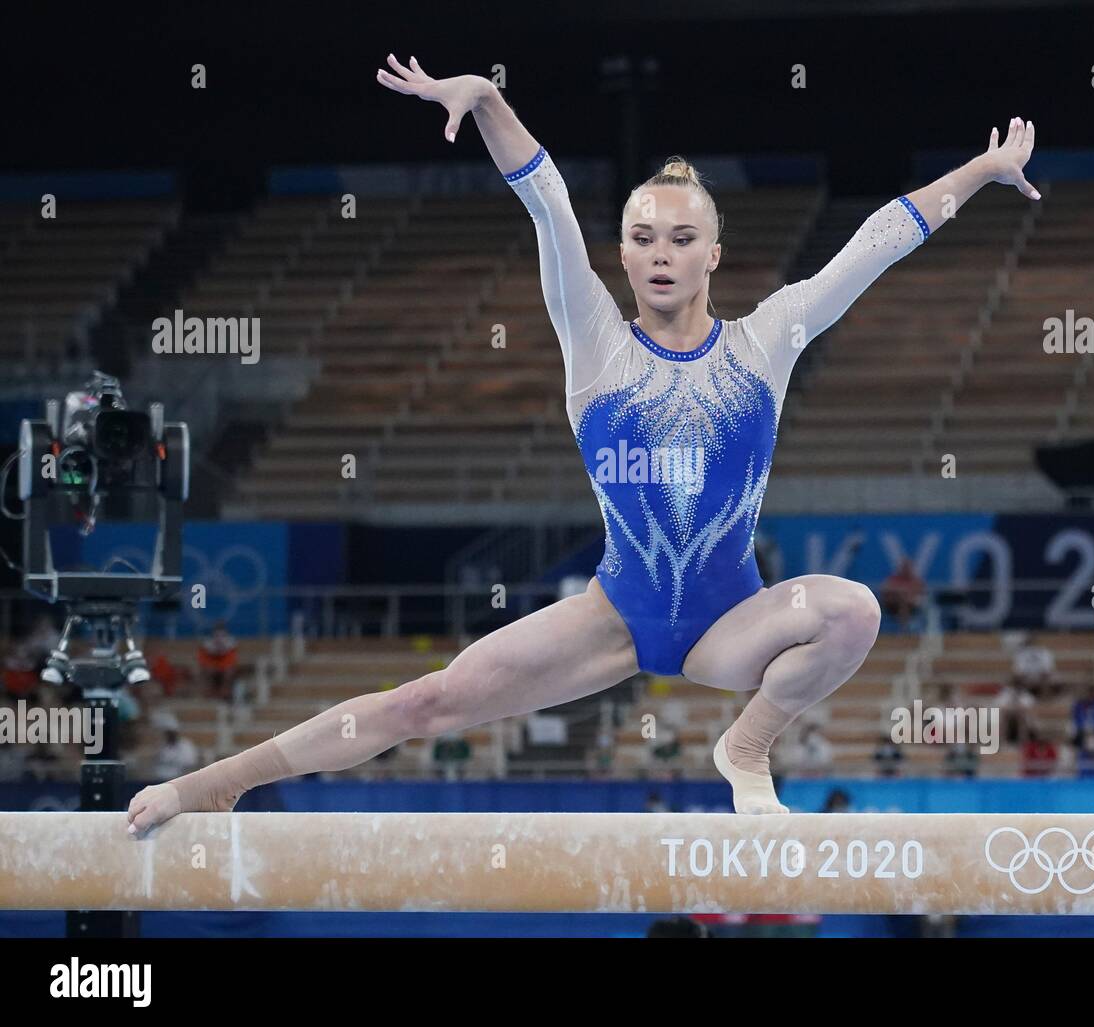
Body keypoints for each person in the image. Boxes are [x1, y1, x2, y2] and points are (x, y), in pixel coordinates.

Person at [127, 61, 1040, 833]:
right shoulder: (594, 340)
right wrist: (486, 98)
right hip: (611, 616)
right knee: (424, 701)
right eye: (642, 236)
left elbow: (876, 242)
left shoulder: (769, 339)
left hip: (732, 622)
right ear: (624, 249)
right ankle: (215, 784)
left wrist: (982, 168)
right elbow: (546, 201)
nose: (660, 253)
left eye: (683, 238)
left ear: (714, 253)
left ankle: (747, 746)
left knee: (851, 611)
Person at [881, 558, 926, 629]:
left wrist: (905, 595)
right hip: (893, 605)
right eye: (904, 567)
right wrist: (900, 594)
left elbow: (921, 593)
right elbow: (885, 588)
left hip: (912, 606)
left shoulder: (915, 581)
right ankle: (903, 628)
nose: (906, 569)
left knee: (905, 602)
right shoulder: (894, 579)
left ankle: (904, 628)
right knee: (902, 601)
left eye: (908, 567)